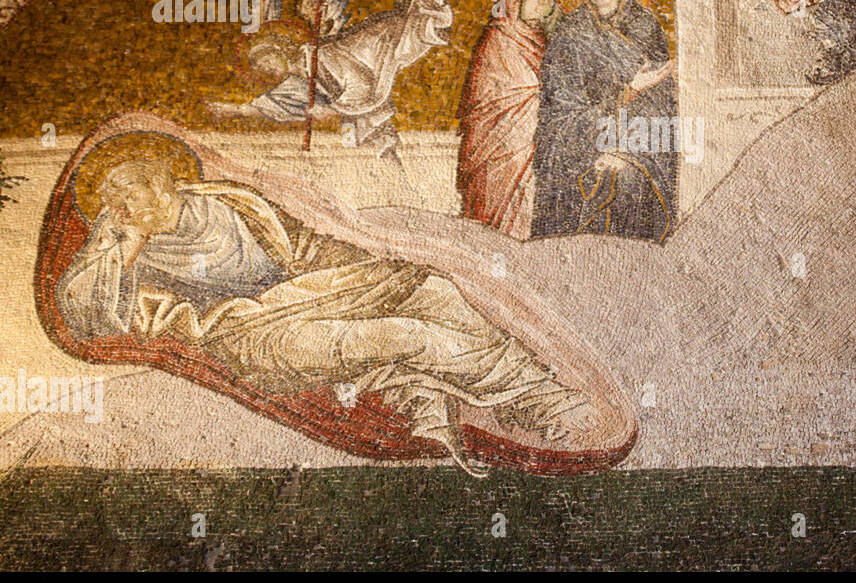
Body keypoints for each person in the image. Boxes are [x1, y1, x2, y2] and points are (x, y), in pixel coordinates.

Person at [56, 152, 597, 476]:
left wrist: (364, 263)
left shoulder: (229, 202)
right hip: (253, 331)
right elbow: (84, 316)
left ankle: (532, 396)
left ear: (164, 179)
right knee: (402, 335)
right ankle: (543, 404)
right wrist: (122, 254)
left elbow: (304, 247)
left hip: (315, 290)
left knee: (434, 289)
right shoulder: (122, 247)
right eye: (113, 201)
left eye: (132, 192)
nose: (125, 207)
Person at [210, 0, 452, 163]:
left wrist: (331, 109)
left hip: (375, 65)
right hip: (356, 109)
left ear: (280, 52)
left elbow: (361, 81)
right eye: (260, 70)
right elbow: (275, 106)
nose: (265, 71)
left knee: (379, 143)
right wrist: (235, 110)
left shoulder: (323, 55)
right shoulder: (298, 81)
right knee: (364, 148)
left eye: (265, 62)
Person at [532, 0, 677, 241]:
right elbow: (560, 104)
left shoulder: (646, 28)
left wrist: (629, 152)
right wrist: (625, 94)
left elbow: (661, 105)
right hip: (579, 145)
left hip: (637, 145)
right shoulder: (571, 33)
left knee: (631, 180)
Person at [456, 0, 557, 239]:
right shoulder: (499, 41)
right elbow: (510, 98)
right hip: (504, 153)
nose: (548, 2)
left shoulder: (539, 39)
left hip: (534, 150)